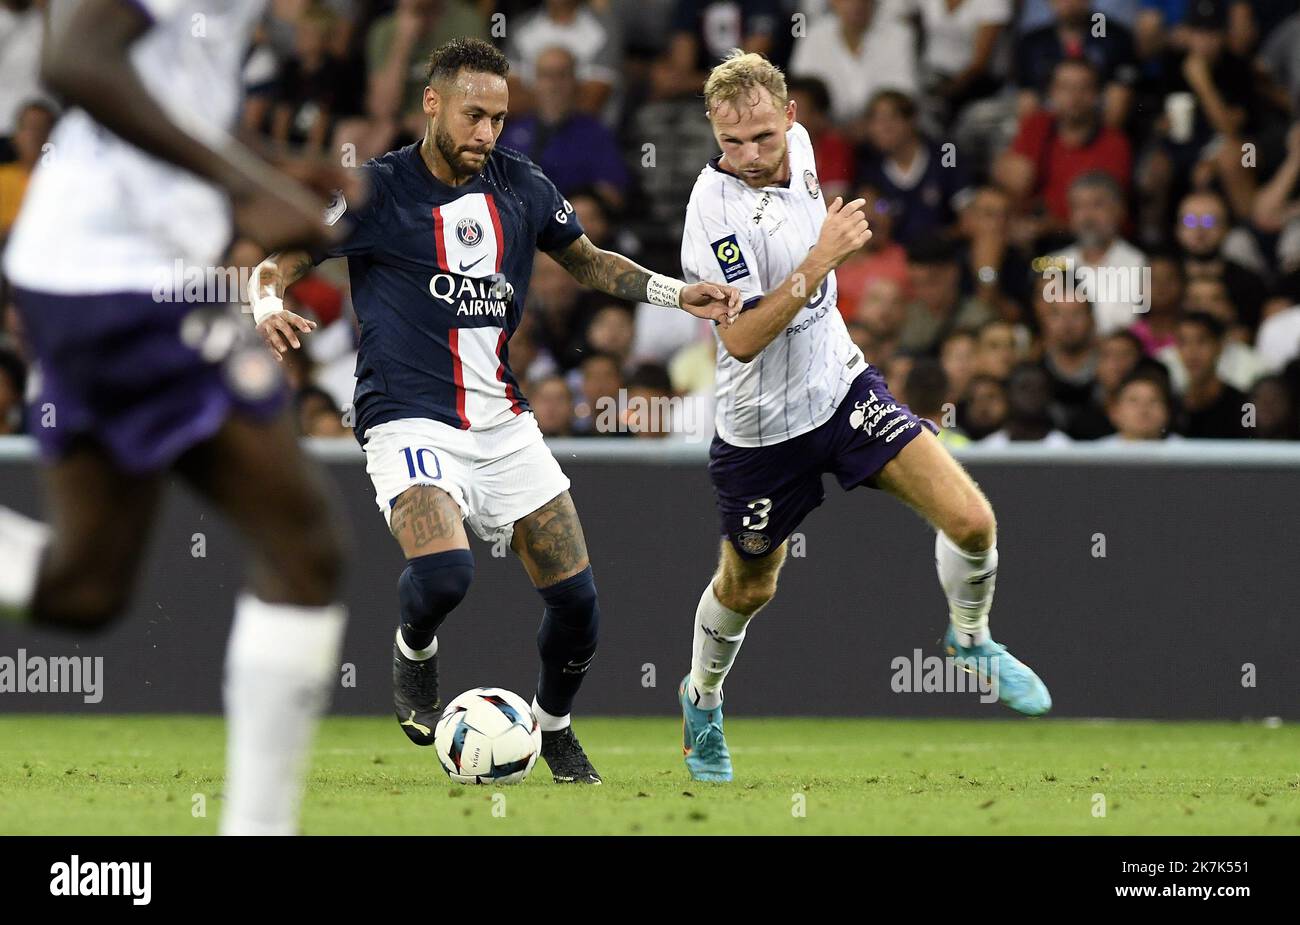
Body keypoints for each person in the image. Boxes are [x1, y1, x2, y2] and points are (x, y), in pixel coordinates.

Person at [248, 39, 740, 784]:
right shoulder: (377, 190)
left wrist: (678, 293)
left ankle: (555, 727)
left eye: (500, 118)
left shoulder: (523, 185)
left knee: (579, 605)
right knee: (446, 575)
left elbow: (588, 260)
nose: (487, 133)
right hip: (407, 416)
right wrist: (265, 298)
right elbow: (287, 251)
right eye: (474, 115)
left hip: (503, 424)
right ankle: (416, 650)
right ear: (433, 103)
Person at [0, 0, 350, 836]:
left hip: (101, 271)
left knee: (85, 592)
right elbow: (77, 57)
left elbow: (163, 90)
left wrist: (273, 164)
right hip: (123, 277)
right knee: (304, 545)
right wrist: (245, 186)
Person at [674, 51, 1050, 784]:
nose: (748, 156)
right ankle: (702, 697)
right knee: (750, 586)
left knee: (972, 522)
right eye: (730, 143)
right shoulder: (711, 212)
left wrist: (820, 261)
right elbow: (743, 338)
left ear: (790, 118)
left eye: (762, 138)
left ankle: (969, 637)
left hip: (843, 391)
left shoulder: (807, 149)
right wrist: (819, 260)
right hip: (760, 430)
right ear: (713, 133)